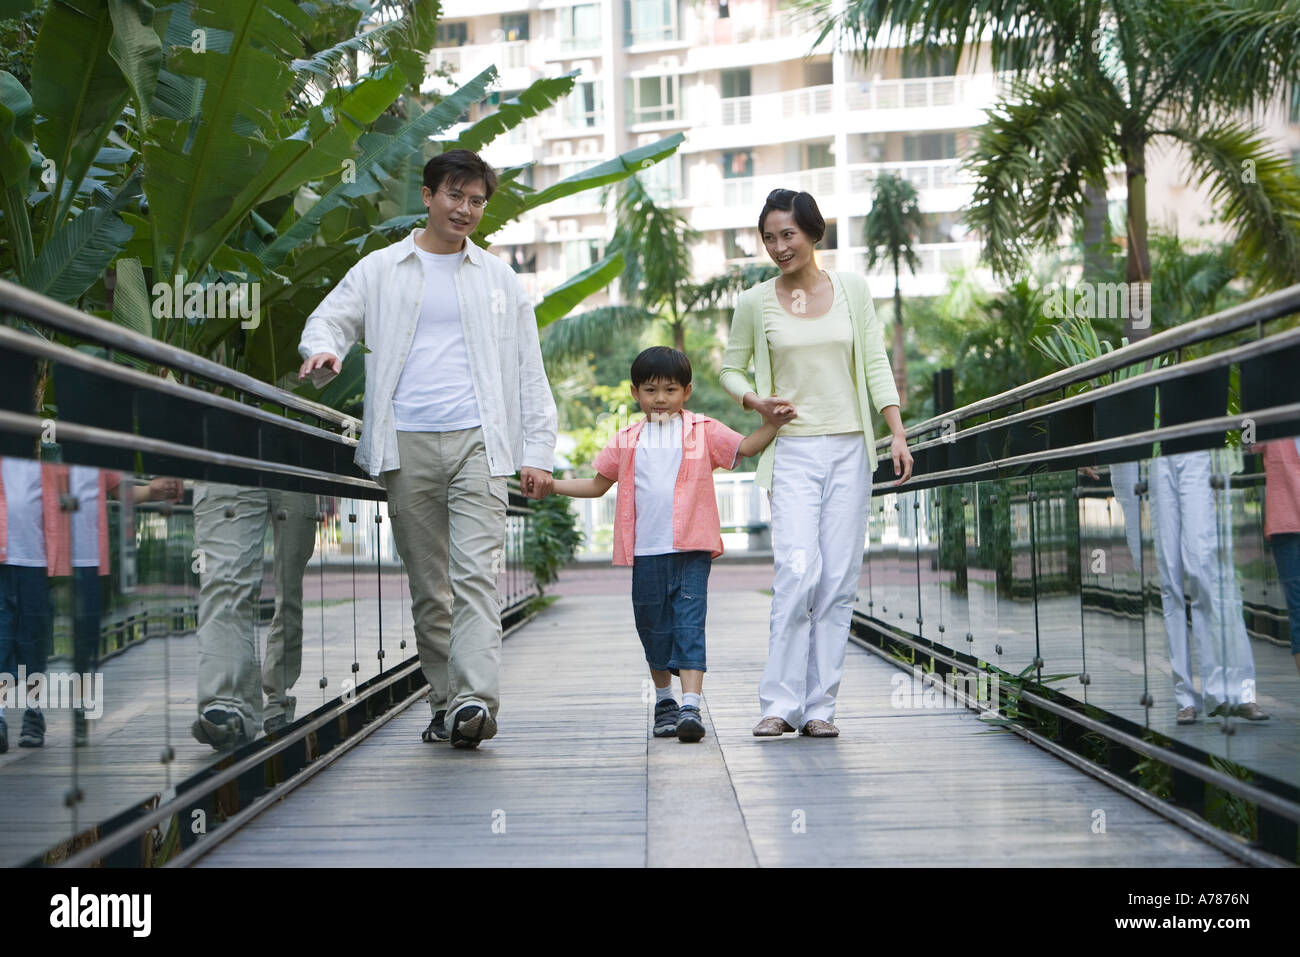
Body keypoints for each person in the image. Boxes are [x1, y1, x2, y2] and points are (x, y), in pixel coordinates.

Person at [298, 149, 557, 750]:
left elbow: (528, 371)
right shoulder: (382, 269)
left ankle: (474, 698)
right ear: (428, 195)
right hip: (404, 442)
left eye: (476, 201)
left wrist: (537, 449)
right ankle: (446, 703)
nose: (465, 209)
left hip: (479, 443)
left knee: (474, 578)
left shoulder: (498, 279)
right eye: (454, 196)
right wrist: (323, 350)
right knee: (429, 586)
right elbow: (331, 319)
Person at [720, 189, 913, 738]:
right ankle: (778, 704)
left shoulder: (851, 290)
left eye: (789, 234)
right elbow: (732, 369)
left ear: (813, 233)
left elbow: (875, 362)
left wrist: (895, 434)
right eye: (770, 238)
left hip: (851, 447)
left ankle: (820, 707)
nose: (779, 247)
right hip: (793, 451)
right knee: (797, 572)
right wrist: (756, 403)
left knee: (837, 579)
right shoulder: (755, 302)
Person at [549, 347, 788, 741]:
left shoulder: (703, 431)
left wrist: (772, 423)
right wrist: (551, 485)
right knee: (654, 628)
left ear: (687, 392)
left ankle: (690, 707)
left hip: (692, 550)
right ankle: (665, 702)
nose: (660, 398)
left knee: (690, 624)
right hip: (645, 553)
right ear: (634, 393)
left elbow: (744, 448)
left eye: (671, 389)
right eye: (650, 389)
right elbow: (596, 485)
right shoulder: (626, 440)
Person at [1257, 437, 1300, 677]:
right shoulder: (1271, 415)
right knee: (1299, 611)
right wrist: (1249, 407)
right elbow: (1247, 442)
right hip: (1286, 525)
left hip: (1285, 525)